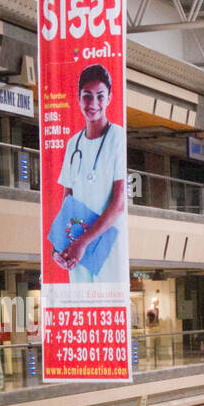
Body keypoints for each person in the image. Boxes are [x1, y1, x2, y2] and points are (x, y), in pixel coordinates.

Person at [52, 64, 127, 283]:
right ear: (78, 98)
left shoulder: (117, 137)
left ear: (110, 98)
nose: (93, 104)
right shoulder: (73, 143)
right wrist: (58, 248)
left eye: (100, 96)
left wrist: (82, 242)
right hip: (77, 250)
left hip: (105, 246)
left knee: (107, 309)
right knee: (81, 307)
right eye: (87, 96)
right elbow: (67, 201)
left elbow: (119, 204)